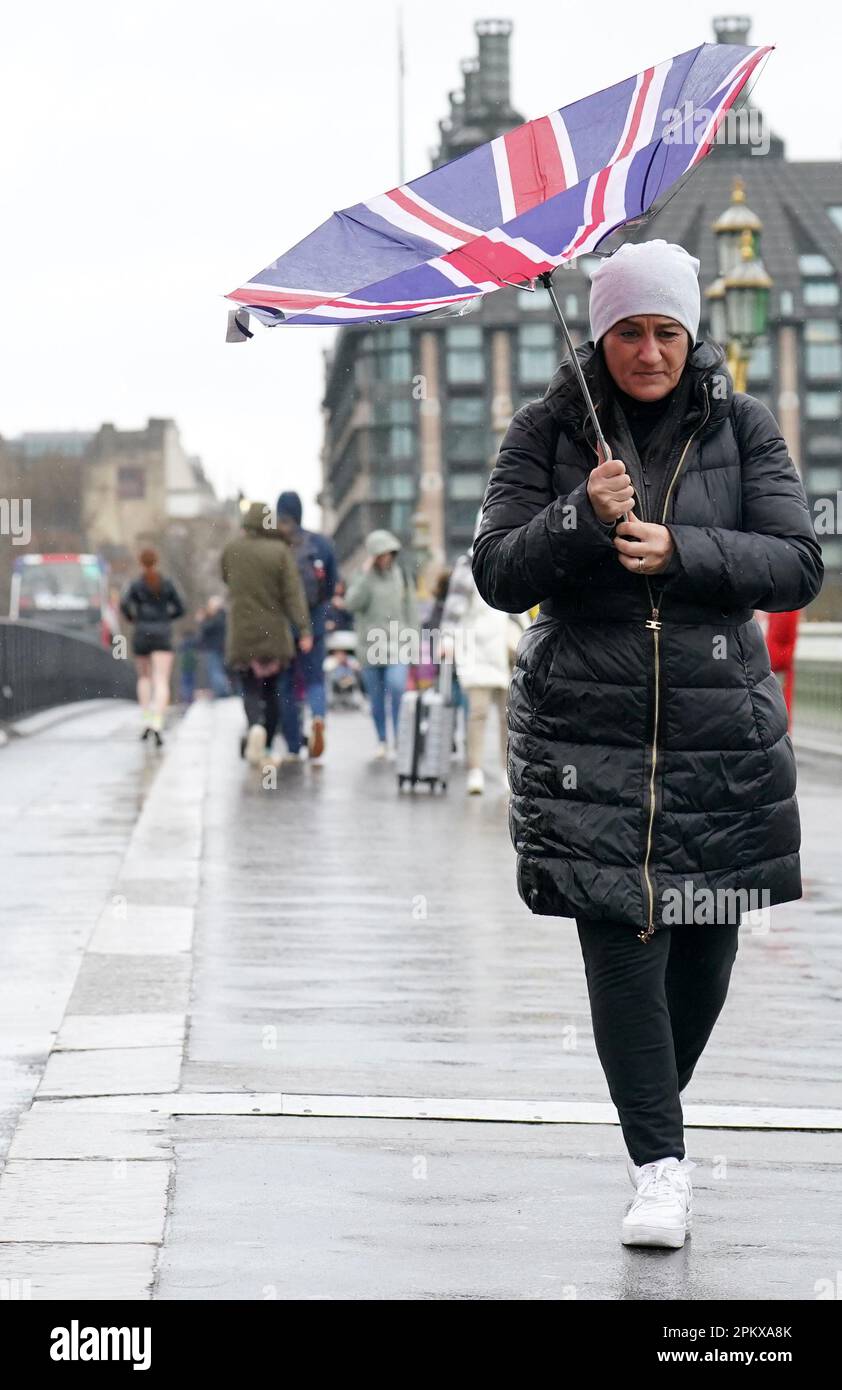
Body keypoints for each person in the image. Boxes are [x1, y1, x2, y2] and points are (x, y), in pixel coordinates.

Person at [471, 239, 823, 1249]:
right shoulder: (545, 430)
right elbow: (496, 568)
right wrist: (579, 517)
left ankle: (645, 1107)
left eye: (666, 330)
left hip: (719, 741)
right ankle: (659, 1166)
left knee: (701, 960)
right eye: (628, 330)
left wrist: (680, 551)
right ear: (599, 333)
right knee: (625, 944)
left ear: (690, 333)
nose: (649, 351)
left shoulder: (742, 424)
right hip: (591, 740)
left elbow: (795, 560)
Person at [221, 501, 312, 770]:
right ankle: (269, 743)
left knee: (248, 687)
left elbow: (226, 578)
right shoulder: (280, 552)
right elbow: (293, 595)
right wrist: (304, 629)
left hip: (242, 631)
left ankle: (254, 727)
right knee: (273, 690)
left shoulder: (232, 550)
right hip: (273, 631)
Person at [274, 491, 337, 762]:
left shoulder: (277, 545)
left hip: (283, 625)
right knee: (314, 679)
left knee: (286, 684)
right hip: (315, 622)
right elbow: (332, 584)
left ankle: (291, 744)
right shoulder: (320, 544)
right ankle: (318, 717)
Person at [344, 528, 418, 758]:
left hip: (397, 645)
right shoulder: (362, 576)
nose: (386, 558)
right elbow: (351, 604)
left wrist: (413, 645)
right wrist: (365, 577)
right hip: (370, 648)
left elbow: (412, 613)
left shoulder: (402, 576)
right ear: (375, 556)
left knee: (397, 688)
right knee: (376, 699)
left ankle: (397, 738)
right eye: (382, 554)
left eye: (389, 553)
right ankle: (382, 740)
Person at [120, 547, 186, 746]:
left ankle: (146, 719)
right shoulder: (166, 584)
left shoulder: (136, 584)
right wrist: (166, 618)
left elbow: (124, 604)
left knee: (144, 678)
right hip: (162, 635)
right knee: (161, 680)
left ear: (141, 562)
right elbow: (181, 607)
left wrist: (135, 618)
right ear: (156, 562)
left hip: (141, 633)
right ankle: (157, 722)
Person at [198, 596, 230, 698]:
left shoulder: (218, 617)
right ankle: (222, 690)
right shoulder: (222, 616)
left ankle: (222, 691)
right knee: (217, 669)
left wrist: (202, 620)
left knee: (214, 670)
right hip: (218, 647)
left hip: (213, 647)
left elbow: (207, 629)